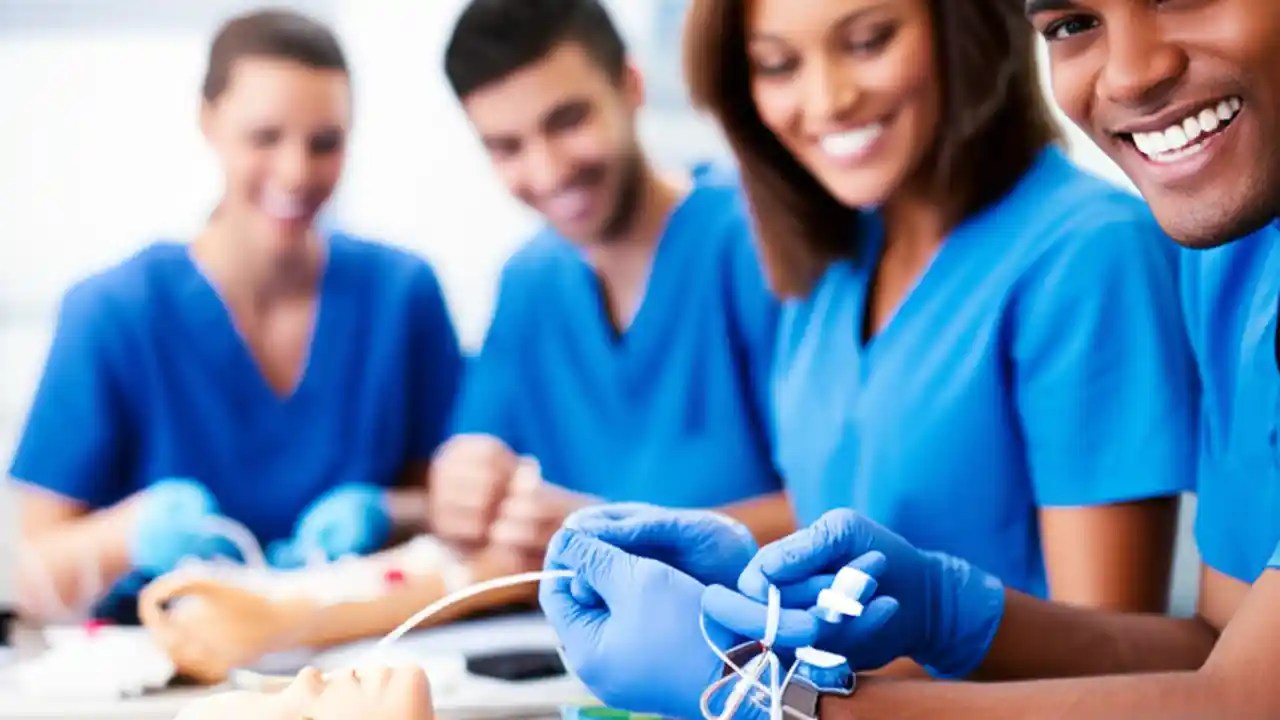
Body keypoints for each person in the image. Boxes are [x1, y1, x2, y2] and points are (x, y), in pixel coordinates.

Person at [541, 0, 1280, 716]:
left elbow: (1236, 699)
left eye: (867, 40)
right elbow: (1215, 652)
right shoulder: (1226, 253)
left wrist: (771, 697)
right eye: (1073, 23)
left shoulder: (1094, 244)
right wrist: (914, 607)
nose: (827, 98)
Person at [9, 10, 462, 623]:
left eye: (324, 142)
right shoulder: (112, 313)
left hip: (357, 658)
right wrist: (128, 535)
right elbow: (28, 575)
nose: (296, 171)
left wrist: (387, 513)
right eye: (265, 137)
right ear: (209, 121)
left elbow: (459, 519)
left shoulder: (401, 296)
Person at [431, 0, 792, 564]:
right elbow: (478, 458)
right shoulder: (528, 284)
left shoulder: (756, 242)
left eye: (568, 121)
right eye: (506, 147)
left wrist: (617, 536)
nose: (547, 171)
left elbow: (839, 507)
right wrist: (461, 486)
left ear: (631, 85)